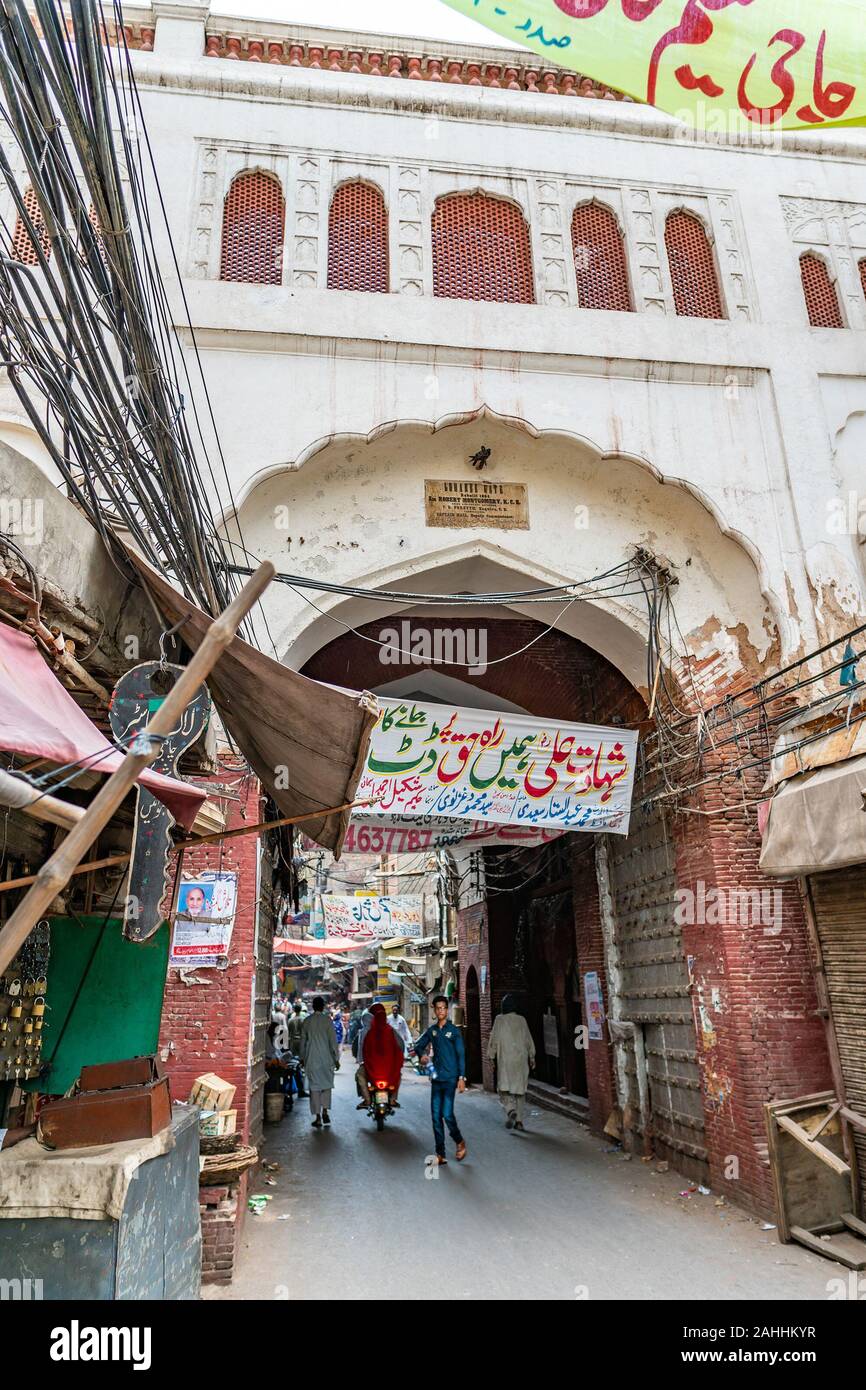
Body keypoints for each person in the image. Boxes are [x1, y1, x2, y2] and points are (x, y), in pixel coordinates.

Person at [413, 995, 467, 1166]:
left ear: (447, 1010)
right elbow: (418, 1045)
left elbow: (461, 1055)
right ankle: (440, 1154)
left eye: (444, 1007)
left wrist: (461, 1077)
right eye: (438, 1008)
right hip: (436, 1077)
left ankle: (459, 1141)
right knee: (436, 1116)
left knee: (447, 1114)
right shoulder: (432, 1031)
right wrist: (422, 1055)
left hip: (451, 1078)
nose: (441, 1011)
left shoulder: (454, 1031)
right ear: (434, 1010)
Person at [487, 994, 536, 1131]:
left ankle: (510, 1110)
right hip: (521, 1060)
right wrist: (532, 1057)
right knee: (520, 1092)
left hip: (506, 1060)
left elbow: (494, 1040)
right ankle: (519, 1121)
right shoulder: (522, 1020)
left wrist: (491, 1056)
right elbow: (528, 1040)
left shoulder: (499, 1019)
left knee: (503, 1090)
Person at [300, 996, 340, 1128]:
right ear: (322, 1007)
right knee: (326, 1086)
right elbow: (333, 1042)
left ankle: (317, 1118)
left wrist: (302, 1058)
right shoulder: (327, 1021)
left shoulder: (307, 1021)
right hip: (326, 1059)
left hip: (312, 1059)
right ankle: (325, 1111)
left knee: (314, 1089)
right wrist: (336, 1059)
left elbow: (303, 1043)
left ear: (313, 1006)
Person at [360, 1003, 404, 1110]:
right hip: (389, 1071)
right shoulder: (390, 1031)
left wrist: (365, 1062)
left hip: (373, 1071)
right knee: (398, 1075)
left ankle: (367, 1099)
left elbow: (364, 1051)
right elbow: (400, 1046)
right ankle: (393, 1099)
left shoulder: (369, 1033)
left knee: (360, 1076)